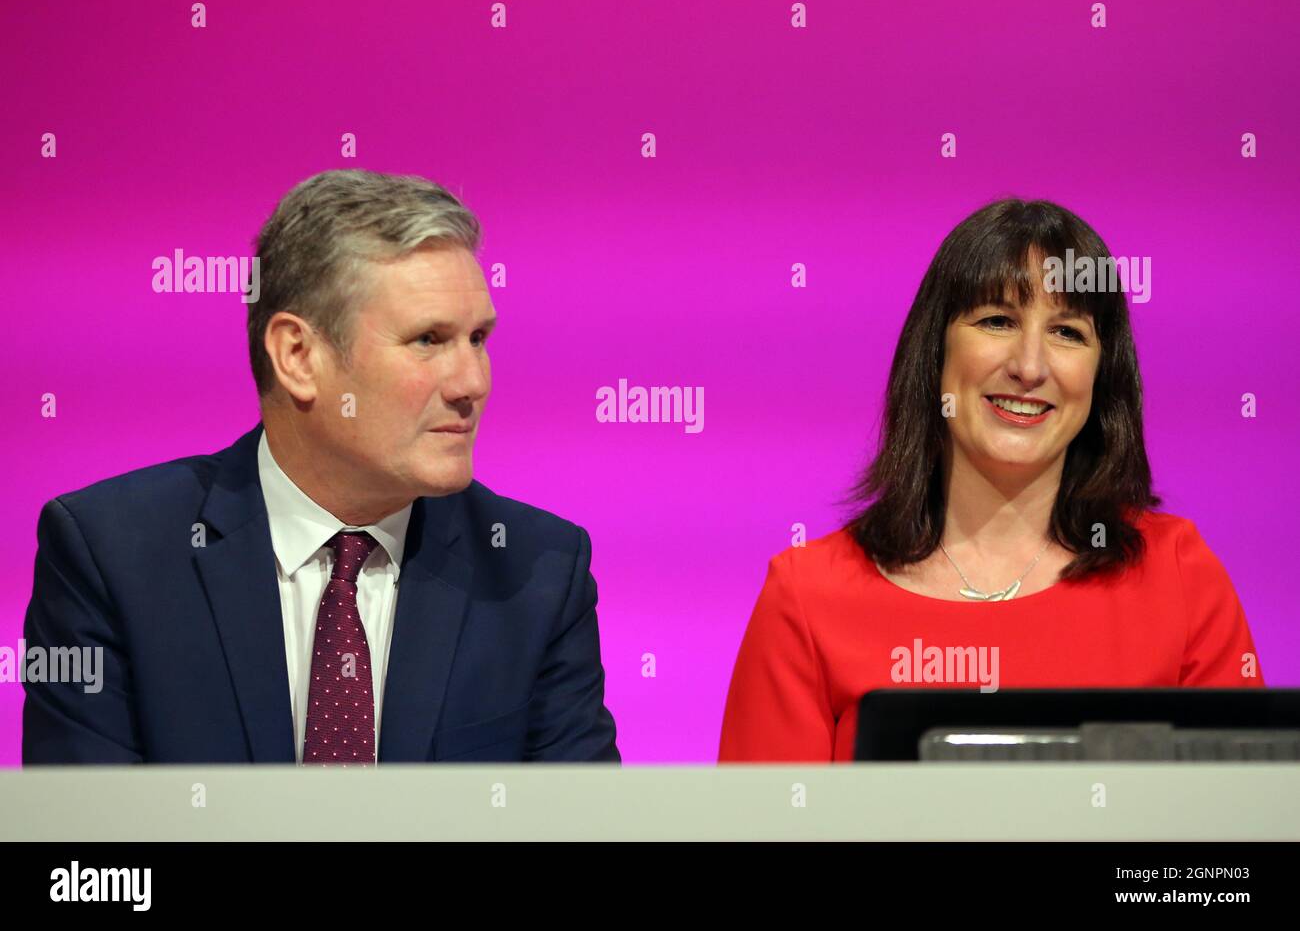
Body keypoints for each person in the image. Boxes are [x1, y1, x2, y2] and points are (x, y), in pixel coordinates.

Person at [24, 169, 620, 764]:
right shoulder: (113, 555)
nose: (472, 382)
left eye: (478, 338)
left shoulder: (535, 572)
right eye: (428, 340)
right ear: (298, 356)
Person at [718, 198, 1265, 762]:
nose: (1029, 366)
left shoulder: (1180, 575)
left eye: (1068, 332)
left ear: (1103, 377)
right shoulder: (808, 596)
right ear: (934, 356)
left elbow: (1235, 835)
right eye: (997, 321)